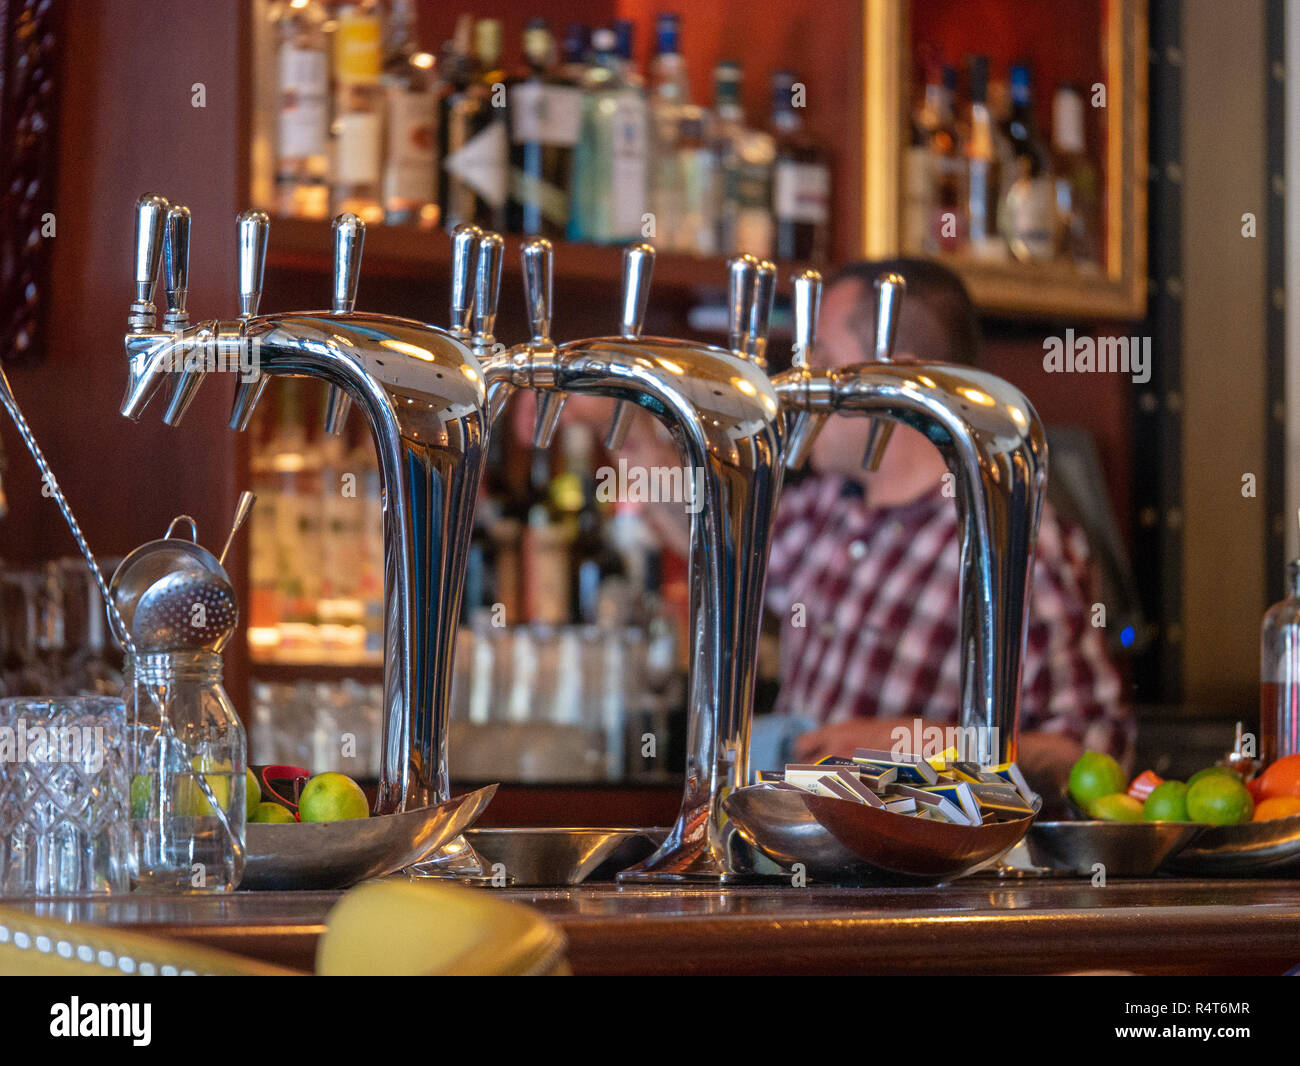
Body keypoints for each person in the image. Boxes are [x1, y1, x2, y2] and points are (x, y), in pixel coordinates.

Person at [521, 258, 1132, 796]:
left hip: (926, 894)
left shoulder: (1010, 538)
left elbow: (1097, 753)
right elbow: (708, 529)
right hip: (805, 862)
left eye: (822, 365)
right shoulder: (828, 510)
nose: (798, 390)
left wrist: (908, 746)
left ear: (899, 381)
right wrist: (622, 418)